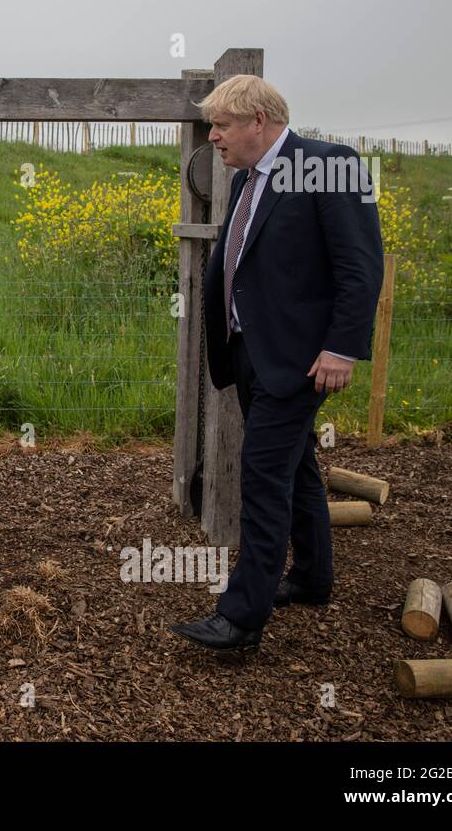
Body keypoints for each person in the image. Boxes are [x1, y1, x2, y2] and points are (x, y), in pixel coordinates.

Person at [171, 75, 383, 652]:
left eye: (222, 125)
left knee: (262, 474)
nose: (213, 136)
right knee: (299, 467)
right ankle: (313, 578)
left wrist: (342, 348)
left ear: (258, 121)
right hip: (252, 353)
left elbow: (360, 268)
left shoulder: (327, 165)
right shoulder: (245, 181)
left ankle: (242, 617)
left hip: (302, 360)